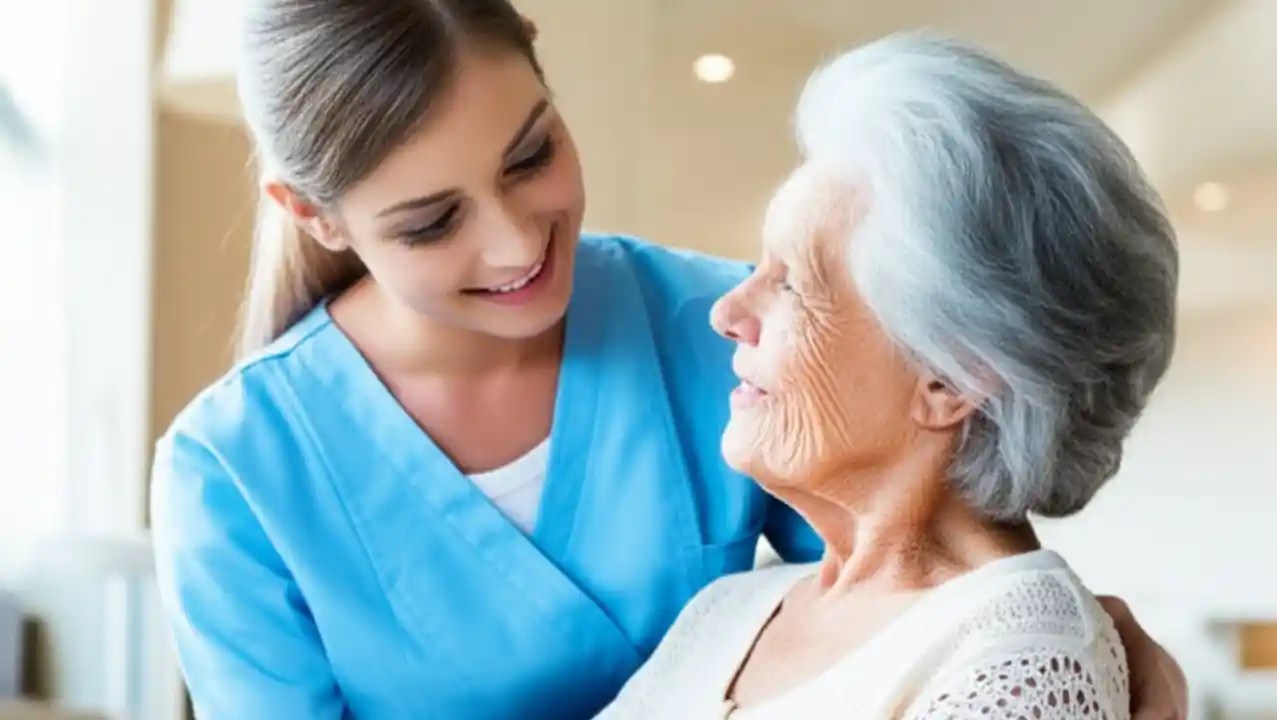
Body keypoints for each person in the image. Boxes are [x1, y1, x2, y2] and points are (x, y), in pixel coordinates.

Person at [148, 2, 1186, 719]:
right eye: (429, 222)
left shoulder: (710, 327)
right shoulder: (234, 469)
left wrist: (1077, 660)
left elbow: (921, 545)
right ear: (313, 216)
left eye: (530, 156)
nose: (516, 245)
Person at [598, 32, 1182, 719]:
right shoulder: (732, 607)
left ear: (952, 378)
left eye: (792, 286)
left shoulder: (1019, 662)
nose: (728, 312)